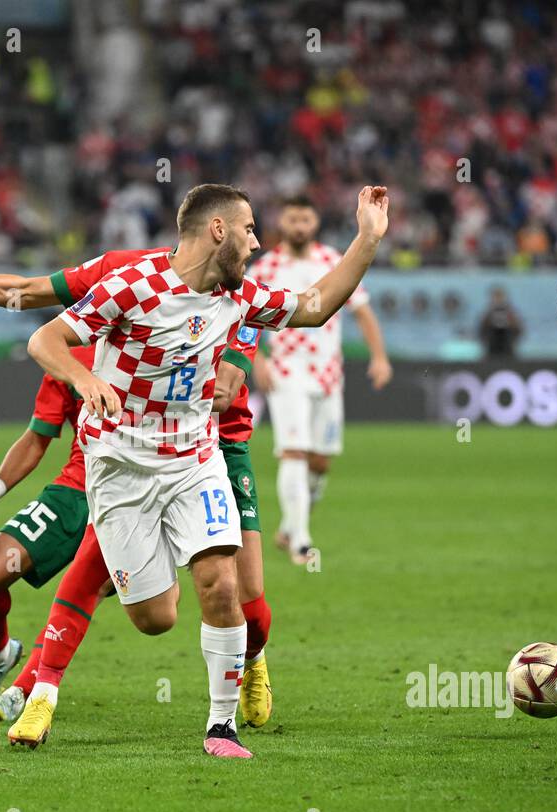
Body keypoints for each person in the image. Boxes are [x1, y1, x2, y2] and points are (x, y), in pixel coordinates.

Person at [22, 183, 389, 758]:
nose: (257, 241)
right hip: (120, 467)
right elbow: (46, 338)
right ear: (219, 231)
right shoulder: (133, 286)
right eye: (249, 230)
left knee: (222, 582)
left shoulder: (239, 297)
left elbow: (316, 307)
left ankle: (221, 728)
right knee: (154, 618)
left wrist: (367, 237)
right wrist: (86, 379)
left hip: (196, 461)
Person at [0, 247, 277, 732]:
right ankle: (33, 693)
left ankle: (253, 660)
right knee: (86, 579)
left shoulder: (230, 281)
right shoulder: (114, 275)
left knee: (246, 599)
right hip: (123, 460)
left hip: (216, 445)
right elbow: (30, 292)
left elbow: (241, 363)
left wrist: (223, 355)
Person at [0, 345, 102, 714]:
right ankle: (1, 655)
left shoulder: (165, 338)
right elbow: (37, 438)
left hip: (138, 499)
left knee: (89, 589)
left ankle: (22, 691)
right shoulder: (70, 354)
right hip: (75, 493)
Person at [247, 195, 392, 564]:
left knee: (320, 462)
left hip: (328, 372)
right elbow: (241, 318)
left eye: (305, 218)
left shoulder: (333, 261)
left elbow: (362, 311)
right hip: (286, 369)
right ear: (282, 222)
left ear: (315, 222)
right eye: (292, 218)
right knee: (293, 451)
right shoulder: (265, 268)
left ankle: (292, 525)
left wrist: (378, 356)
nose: (298, 225)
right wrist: (258, 360)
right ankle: (301, 541)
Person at [478, 286, 523, 357]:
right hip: (491, 349)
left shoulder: (510, 313)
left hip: (508, 348)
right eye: (496, 297)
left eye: (500, 297)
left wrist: (510, 323)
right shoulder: (488, 313)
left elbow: (518, 330)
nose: (498, 299)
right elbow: (481, 330)